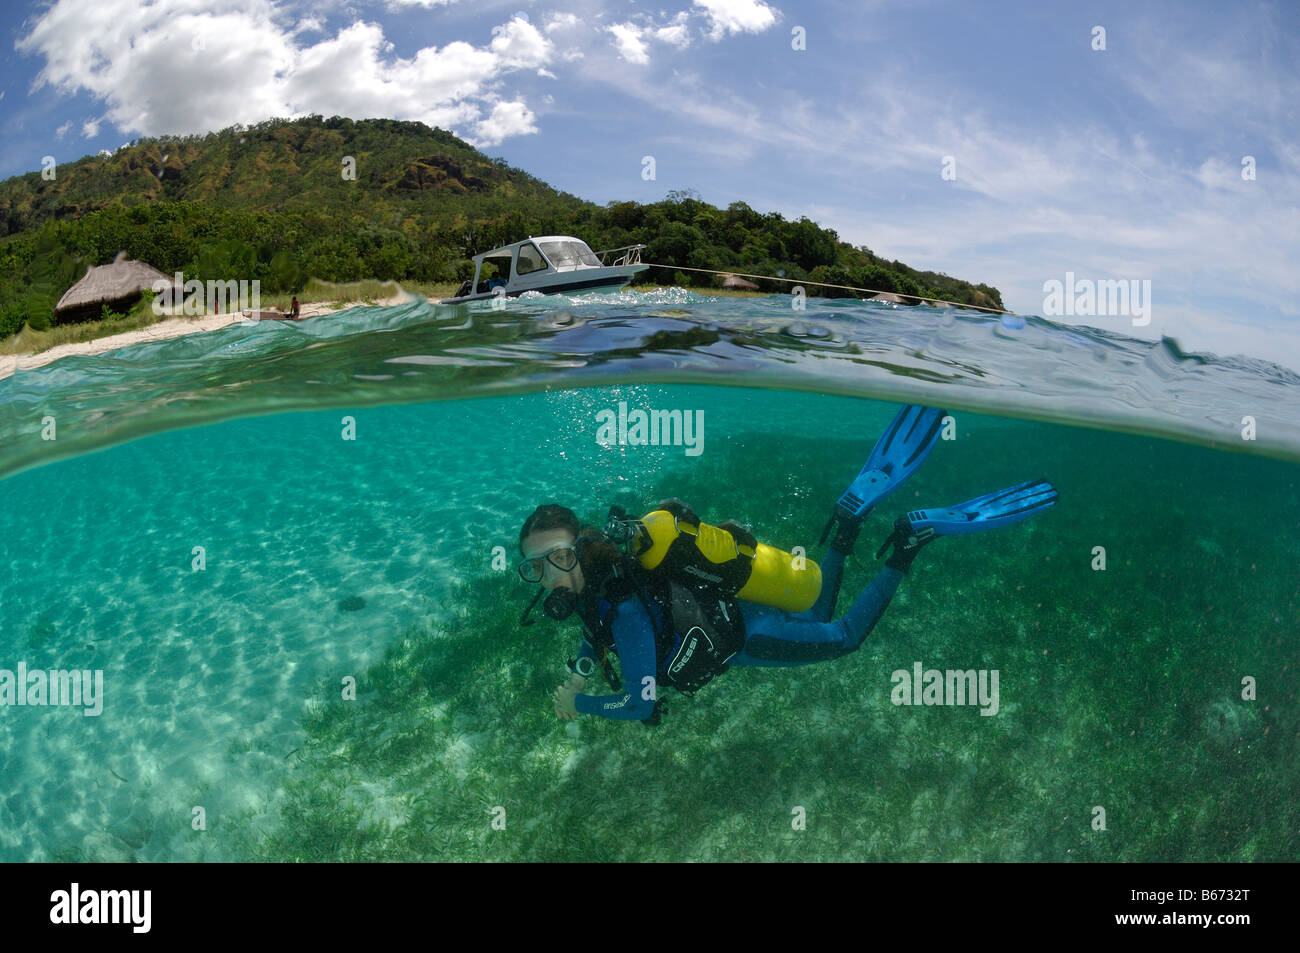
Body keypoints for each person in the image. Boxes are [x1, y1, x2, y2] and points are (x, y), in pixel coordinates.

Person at [516, 405, 1057, 725]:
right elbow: (596, 627)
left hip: (746, 637)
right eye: (534, 568)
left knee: (843, 636)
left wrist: (583, 704)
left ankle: (908, 542)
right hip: (732, 608)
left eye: (555, 559)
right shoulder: (602, 578)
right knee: (817, 605)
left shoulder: (626, 608)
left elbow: (639, 703)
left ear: (577, 549)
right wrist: (581, 669)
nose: (548, 577)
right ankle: (846, 523)